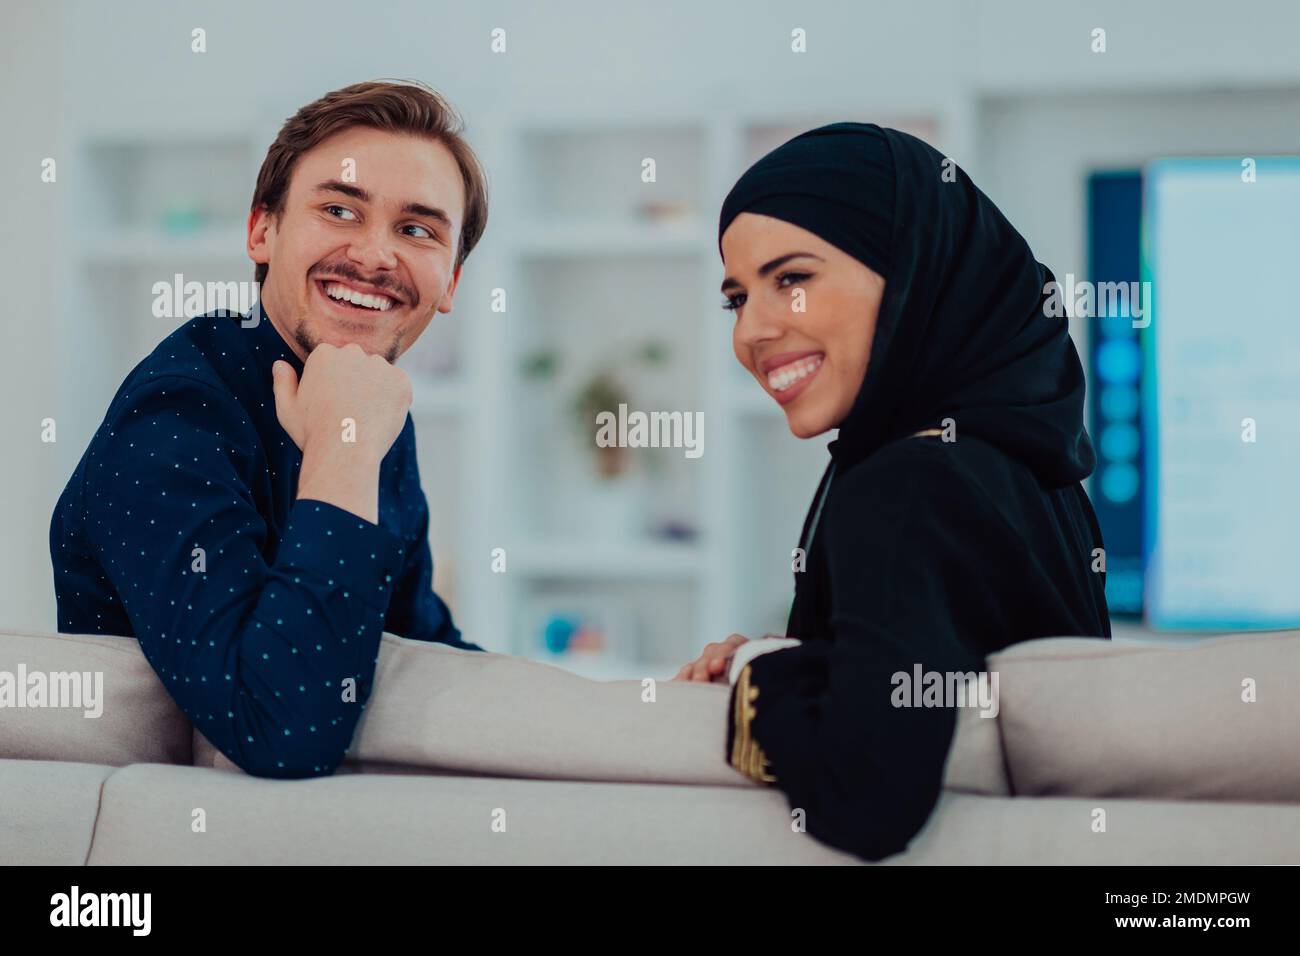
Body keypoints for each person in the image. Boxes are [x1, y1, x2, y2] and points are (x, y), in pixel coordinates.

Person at [675, 122, 1111, 861]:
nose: (751, 331)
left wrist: (756, 674)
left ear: (915, 270)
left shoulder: (909, 484)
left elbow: (866, 799)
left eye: (793, 279)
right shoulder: (1024, 471)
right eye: (736, 299)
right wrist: (817, 664)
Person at [49, 80, 489, 778]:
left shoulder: (362, 399)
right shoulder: (174, 415)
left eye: (416, 229)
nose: (376, 255)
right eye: (340, 209)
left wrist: (627, 711)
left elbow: (418, 643)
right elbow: (283, 730)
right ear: (263, 229)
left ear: (452, 282)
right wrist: (344, 451)